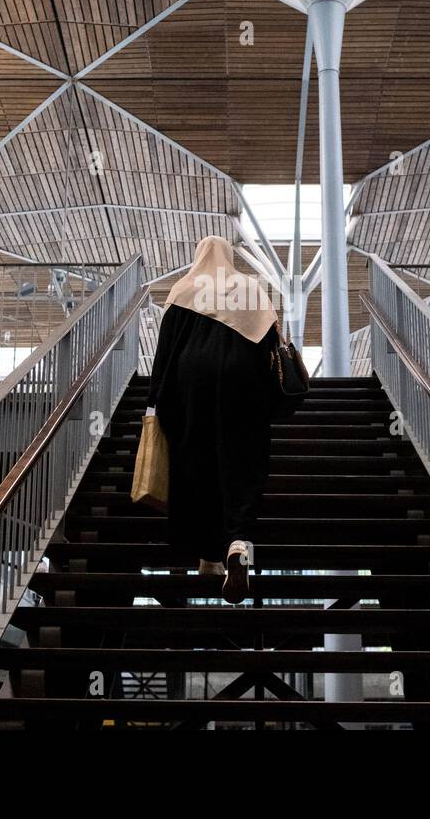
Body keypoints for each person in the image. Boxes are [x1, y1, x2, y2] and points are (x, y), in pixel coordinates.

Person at [147, 235, 279, 604]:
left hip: (191, 386)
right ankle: (236, 541)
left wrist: (154, 401)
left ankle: (207, 556)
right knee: (242, 462)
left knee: (196, 462)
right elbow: (271, 345)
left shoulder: (185, 287)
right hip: (243, 386)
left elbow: (166, 349)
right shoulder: (250, 288)